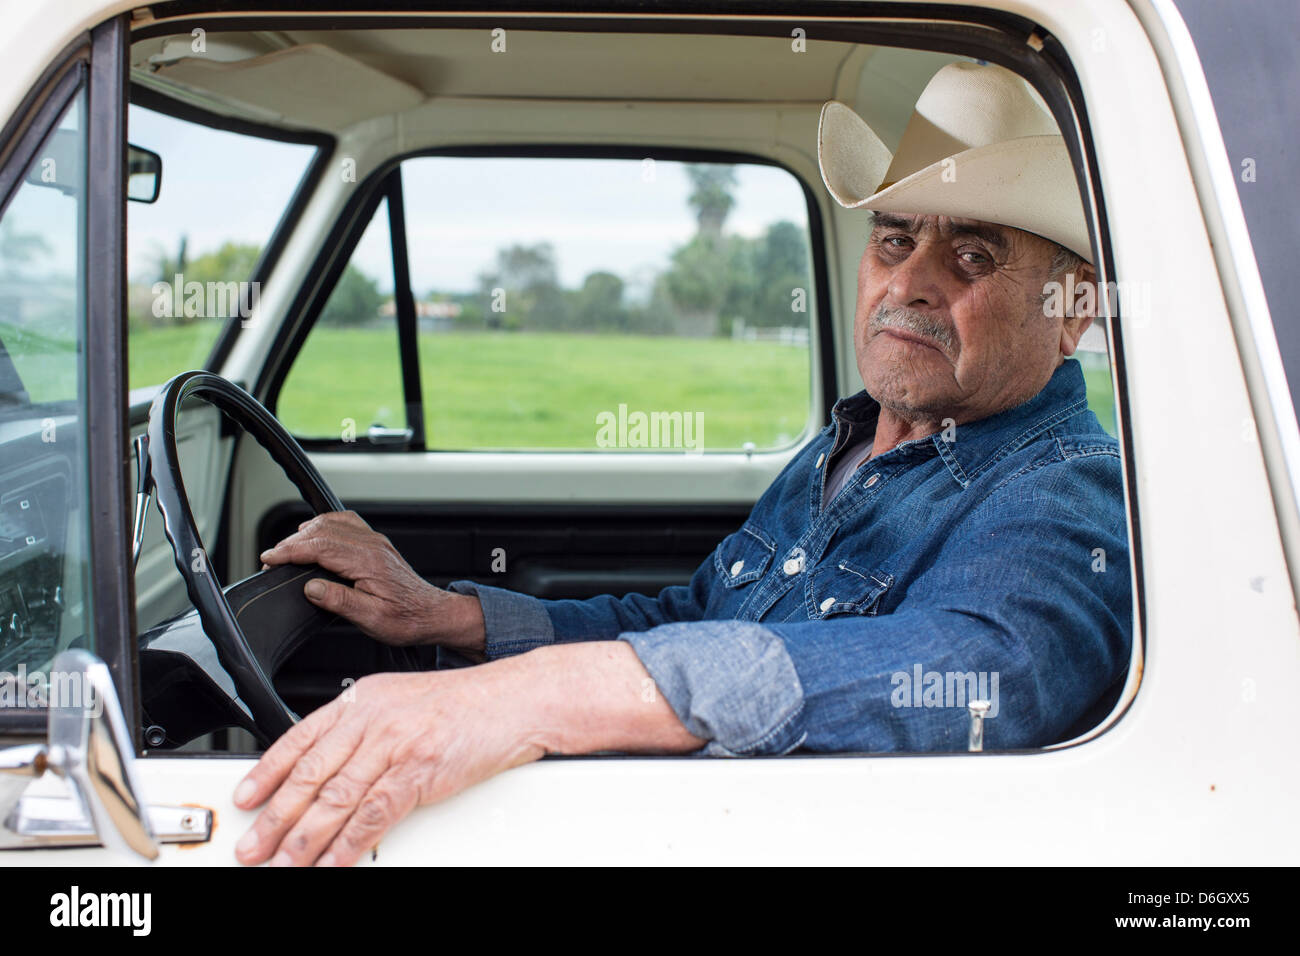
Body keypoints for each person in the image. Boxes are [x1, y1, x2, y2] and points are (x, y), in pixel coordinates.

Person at [233, 61, 1131, 867]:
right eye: (895, 239)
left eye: (973, 253)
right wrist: (449, 615)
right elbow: (695, 614)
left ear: (1072, 310)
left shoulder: (1062, 488)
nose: (910, 282)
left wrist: (529, 699)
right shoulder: (854, 441)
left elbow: (985, 671)